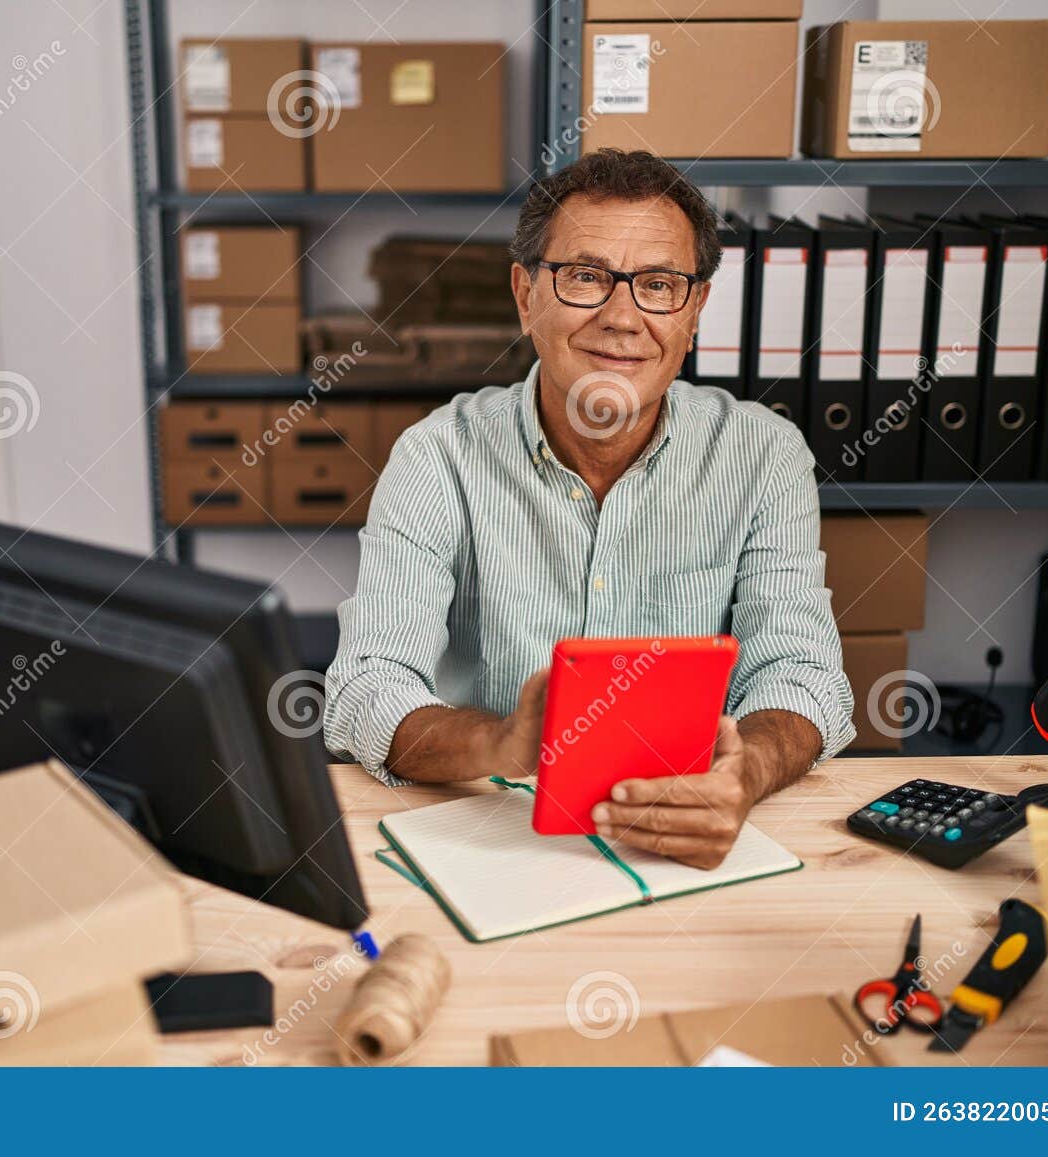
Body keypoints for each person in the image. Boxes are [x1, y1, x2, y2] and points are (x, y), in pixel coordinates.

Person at [324, 148, 853, 869]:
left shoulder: (763, 456)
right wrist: (503, 742)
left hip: (689, 839)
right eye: (585, 277)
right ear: (524, 294)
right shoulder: (436, 456)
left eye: (660, 285)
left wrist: (747, 769)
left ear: (694, 310)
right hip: (492, 832)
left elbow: (803, 673)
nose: (622, 318)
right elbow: (366, 685)